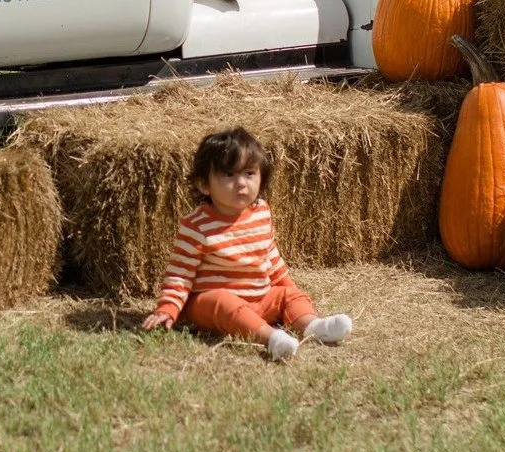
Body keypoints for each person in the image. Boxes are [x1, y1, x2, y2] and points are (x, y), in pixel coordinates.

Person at [141, 126, 353, 359]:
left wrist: (290, 290)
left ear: (261, 178)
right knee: (220, 301)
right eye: (229, 175)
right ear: (203, 185)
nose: (241, 183)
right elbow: (180, 275)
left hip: (260, 298)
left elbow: (270, 256)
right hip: (212, 305)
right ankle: (270, 337)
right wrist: (168, 308)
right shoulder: (197, 226)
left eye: (249, 173)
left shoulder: (261, 212)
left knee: (289, 295)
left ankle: (313, 326)